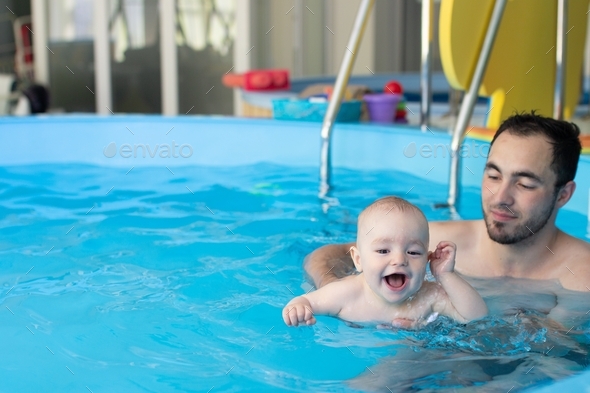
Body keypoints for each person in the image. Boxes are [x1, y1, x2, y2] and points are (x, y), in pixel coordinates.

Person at [305, 112, 590, 294]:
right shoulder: (433, 246)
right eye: (493, 175)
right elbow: (328, 255)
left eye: (524, 184)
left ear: (564, 194)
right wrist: (334, 290)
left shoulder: (582, 277)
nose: (501, 197)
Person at [283, 197, 488, 328]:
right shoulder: (347, 293)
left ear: (427, 260)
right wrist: (299, 308)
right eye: (383, 250)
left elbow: (475, 317)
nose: (399, 260)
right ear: (358, 260)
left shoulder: (429, 295)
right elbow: (307, 301)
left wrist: (446, 275)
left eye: (413, 252)